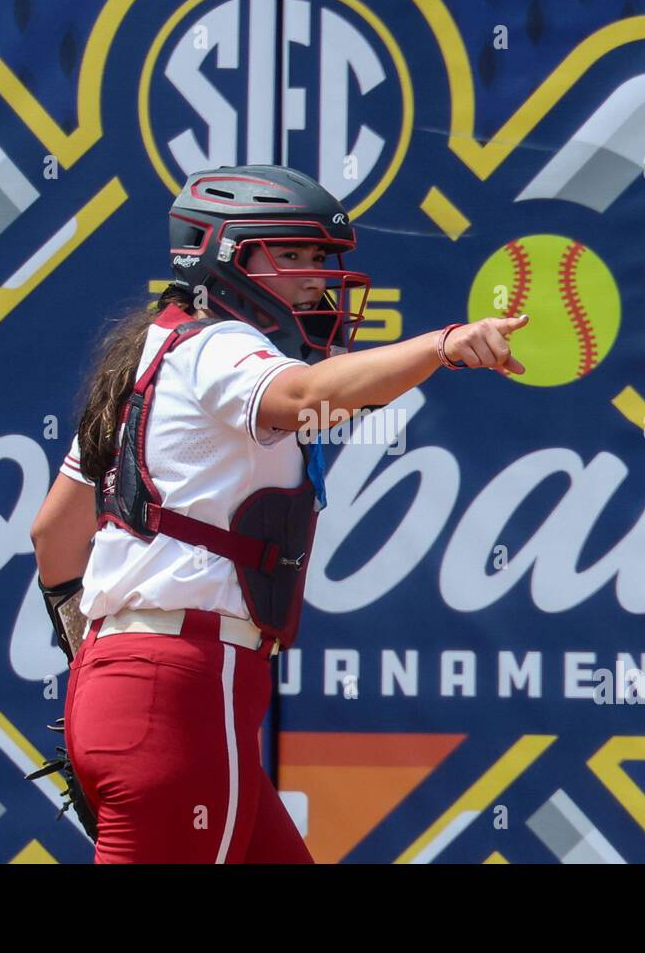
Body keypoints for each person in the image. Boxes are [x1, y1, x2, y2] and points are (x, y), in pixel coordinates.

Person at [29, 164, 527, 863]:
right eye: (290, 254)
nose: (315, 275)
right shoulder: (222, 345)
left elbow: (54, 538)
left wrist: (116, 663)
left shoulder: (148, 357)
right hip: (186, 691)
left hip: (130, 685)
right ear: (225, 256)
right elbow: (301, 397)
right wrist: (439, 346)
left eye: (321, 258)